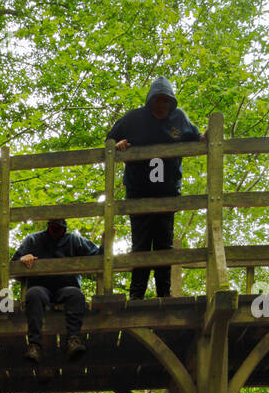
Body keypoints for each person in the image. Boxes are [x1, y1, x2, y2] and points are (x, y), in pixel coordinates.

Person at [108, 76, 202, 301]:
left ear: (171, 103)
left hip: (166, 194)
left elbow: (196, 136)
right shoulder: (133, 119)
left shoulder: (178, 118)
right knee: (140, 243)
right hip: (138, 193)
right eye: (158, 101)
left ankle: (164, 294)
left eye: (166, 102)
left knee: (163, 244)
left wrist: (205, 138)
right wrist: (117, 144)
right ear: (150, 101)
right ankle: (136, 295)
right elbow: (110, 139)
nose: (161, 106)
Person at [11, 217, 101, 363]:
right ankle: (34, 345)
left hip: (67, 288)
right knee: (33, 294)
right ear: (48, 226)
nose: (56, 230)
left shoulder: (75, 240)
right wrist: (23, 259)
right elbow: (13, 266)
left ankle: (73, 340)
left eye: (59, 227)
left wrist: (104, 244)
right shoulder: (33, 240)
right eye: (53, 227)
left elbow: (98, 257)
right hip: (40, 288)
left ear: (64, 229)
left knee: (76, 295)